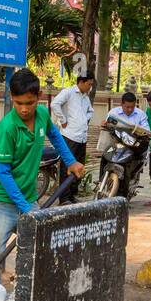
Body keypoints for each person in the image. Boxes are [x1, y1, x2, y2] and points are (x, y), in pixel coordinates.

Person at [0, 67, 85, 280]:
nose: (24, 109)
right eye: (18, 103)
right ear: (12, 98)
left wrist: (71, 161)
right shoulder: (7, 128)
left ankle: (26, 291)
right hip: (1, 199)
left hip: (28, 196)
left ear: (38, 97)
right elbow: (2, 171)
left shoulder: (42, 115)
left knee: (37, 246)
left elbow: (55, 136)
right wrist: (25, 207)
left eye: (29, 103)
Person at [51, 70, 95, 202]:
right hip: (69, 136)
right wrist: (63, 120)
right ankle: (64, 198)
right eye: (88, 84)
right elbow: (55, 104)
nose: (90, 87)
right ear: (81, 82)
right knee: (67, 167)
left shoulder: (85, 97)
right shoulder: (69, 92)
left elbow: (90, 111)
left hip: (82, 137)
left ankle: (72, 195)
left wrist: (84, 119)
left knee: (79, 167)